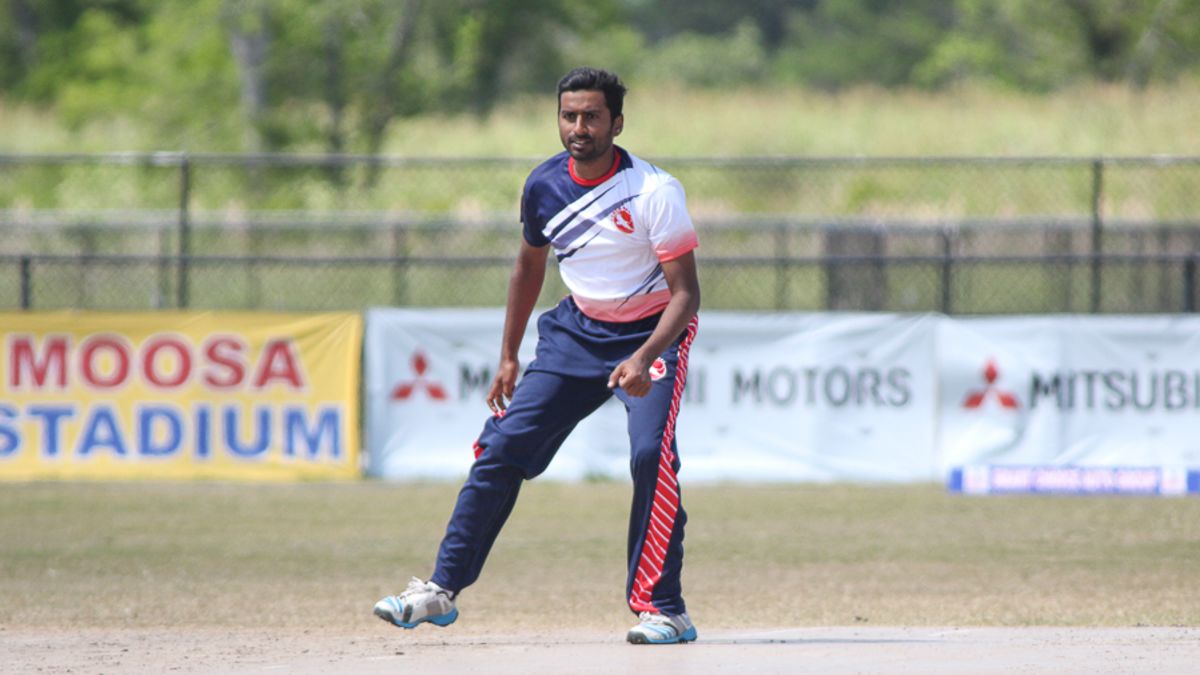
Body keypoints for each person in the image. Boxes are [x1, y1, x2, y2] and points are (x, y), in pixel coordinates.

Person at [373, 67, 702, 645]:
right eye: (569, 115)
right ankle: (439, 590)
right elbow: (529, 266)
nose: (579, 127)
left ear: (617, 124)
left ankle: (664, 608)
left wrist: (645, 354)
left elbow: (686, 295)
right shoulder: (543, 185)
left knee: (652, 453)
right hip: (575, 333)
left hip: (652, 333)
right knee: (500, 448)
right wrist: (508, 355)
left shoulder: (654, 192)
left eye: (592, 116)